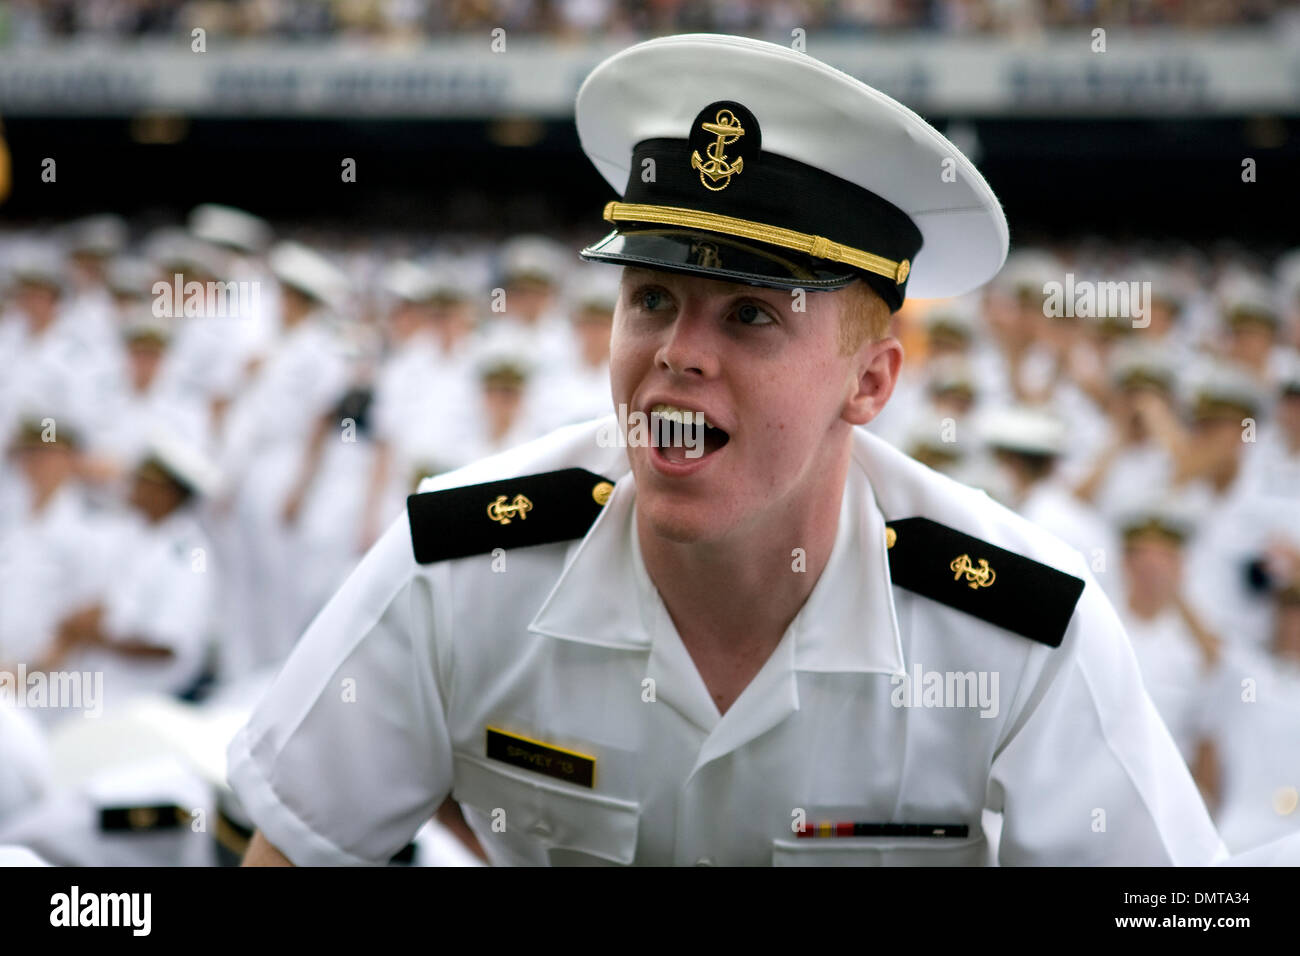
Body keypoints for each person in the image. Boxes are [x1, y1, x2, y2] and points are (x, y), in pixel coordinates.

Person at [229, 34, 1224, 866]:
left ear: (871, 381)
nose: (677, 354)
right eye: (651, 297)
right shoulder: (460, 563)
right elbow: (295, 841)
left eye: (750, 314)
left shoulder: (1016, 626)